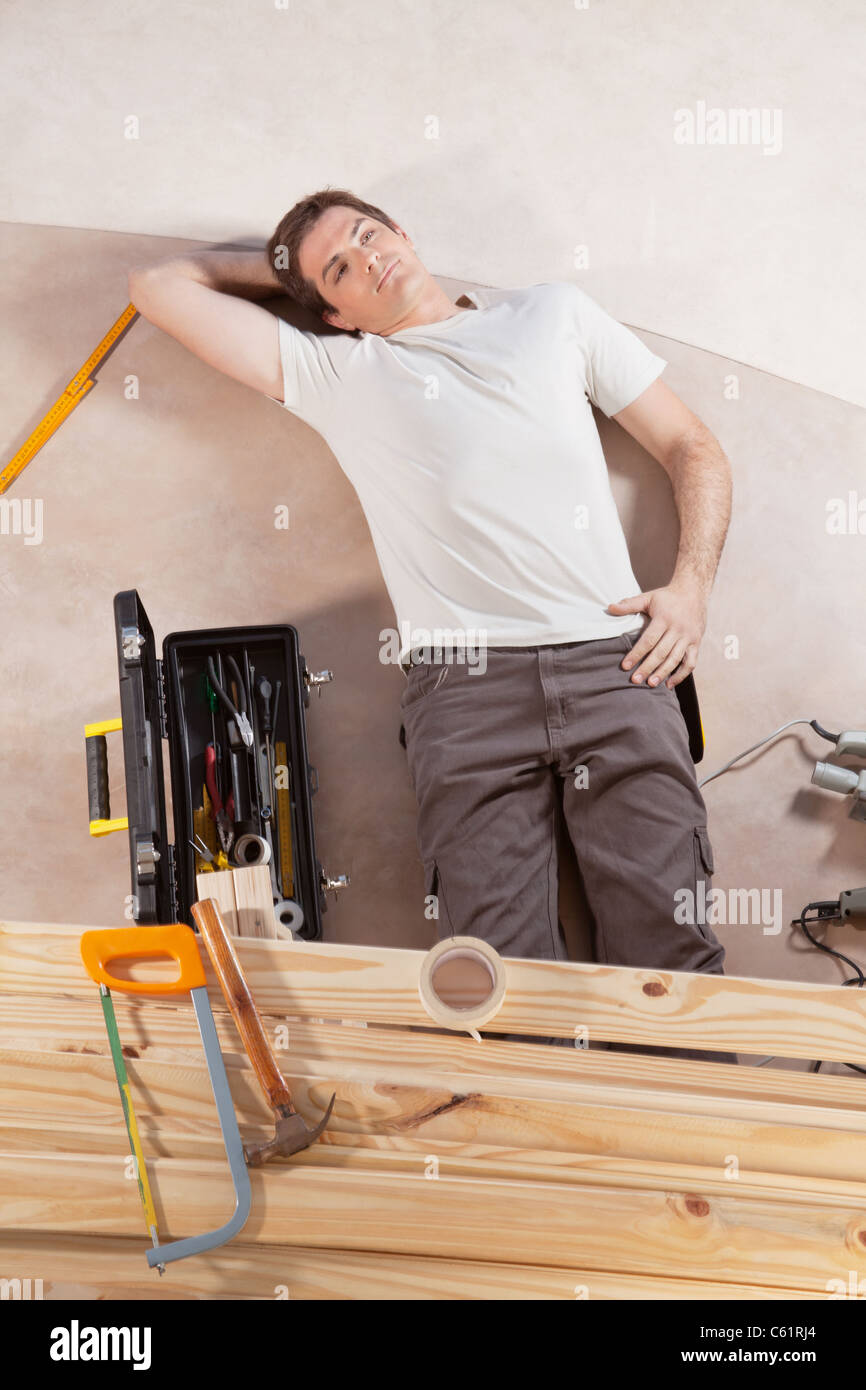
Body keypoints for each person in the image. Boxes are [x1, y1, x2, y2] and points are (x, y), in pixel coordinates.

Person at [128, 187, 736, 1065]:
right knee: (497, 984)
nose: (369, 256)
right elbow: (158, 285)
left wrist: (691, 590)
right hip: (463, 695)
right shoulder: (339, 375)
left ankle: (705, 1172)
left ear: (404, 233)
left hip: (620, 661)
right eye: (340, 267)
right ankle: (557, 1187)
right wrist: (276, 270)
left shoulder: (553, 316)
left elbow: (693, 447)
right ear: (335, 313)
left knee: (671, 961)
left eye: (371, 234)